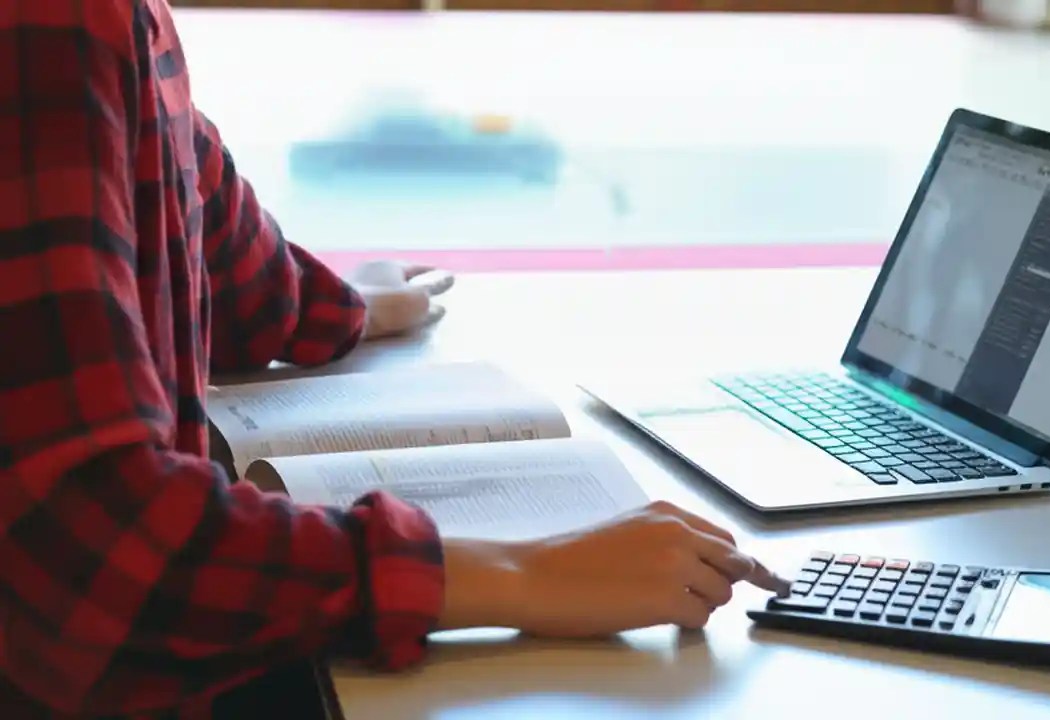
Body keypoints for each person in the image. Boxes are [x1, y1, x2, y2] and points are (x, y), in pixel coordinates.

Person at [0, 0, 788, 717]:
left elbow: (181, 212)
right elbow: (86, 540)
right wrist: (522, 574)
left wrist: (341, 305)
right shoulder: (51, 25)